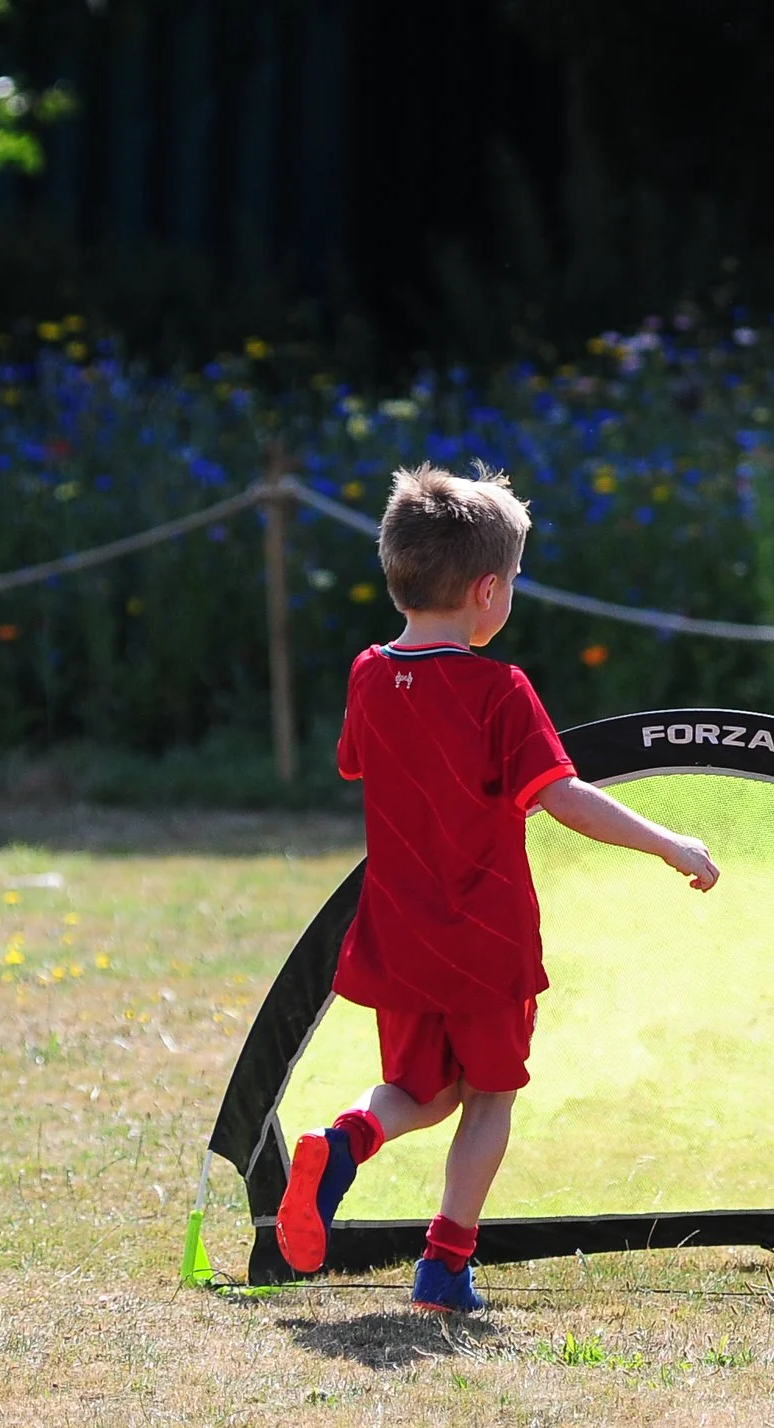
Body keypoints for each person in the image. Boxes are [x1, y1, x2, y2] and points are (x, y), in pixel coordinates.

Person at [274, 463, 722, 1313]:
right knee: (487, 1097)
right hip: (485, 938)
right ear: (487, 591)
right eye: (513, 579)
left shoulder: (368, 674)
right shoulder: (499, 691)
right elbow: (563, 797)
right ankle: (444, 1268)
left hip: (397, 935)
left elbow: (357, 765)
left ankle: (346, 1139)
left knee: (420, 1092)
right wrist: (667, 842)